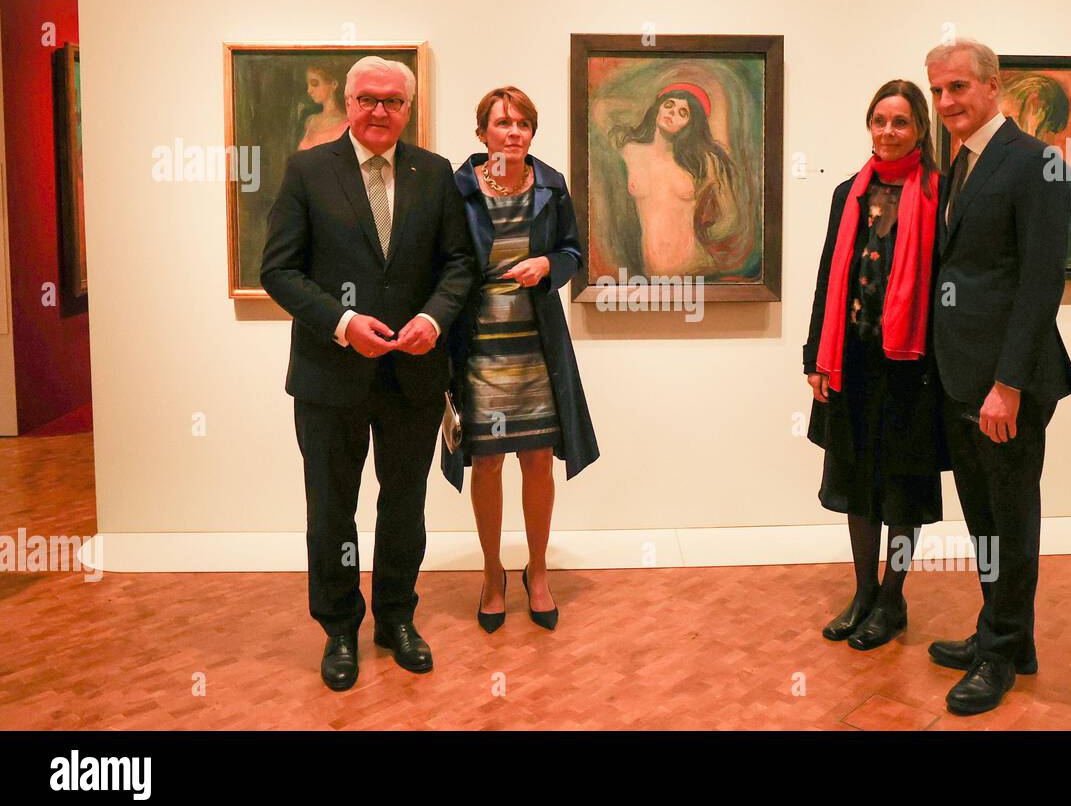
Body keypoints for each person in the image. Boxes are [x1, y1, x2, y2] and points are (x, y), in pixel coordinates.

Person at [261, 56, 477, 691]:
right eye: (367, 99)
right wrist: (342, 322)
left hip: (413, 374)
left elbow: (459, 264)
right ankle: (337, 628)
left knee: (404, 505)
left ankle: (395, 617)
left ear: (408, 109)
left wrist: (433, 321)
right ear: (349, 103)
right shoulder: (308, 170)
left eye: (392, 101)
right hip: (331, 375)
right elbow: (279, 270)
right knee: (332, 509)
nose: (379, 111)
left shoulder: (434, 174)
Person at [924, 38, 1071, 715]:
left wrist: (1008, 384)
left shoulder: (1036, 164)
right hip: (960, 376)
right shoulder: (957, 165)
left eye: (957, 87)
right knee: (982, 517)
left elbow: (1042, 282)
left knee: (1010, 518)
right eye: (937, 90)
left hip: (1006, 383)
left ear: (993, 88)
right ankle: (1006, 636)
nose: (946, 102)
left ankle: (1002, 653)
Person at [441, 86, 599, 632]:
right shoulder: (456, 188)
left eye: (523, 124)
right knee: (485, 462)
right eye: (502, 122)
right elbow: (443, 261)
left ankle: (537, 572)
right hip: (478, 345)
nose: (513, 132)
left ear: (533, 132)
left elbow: (576, 252)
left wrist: (547, 267)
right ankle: (491, 574)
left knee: (536, 460)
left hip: (536, 347)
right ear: (481, 131)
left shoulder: (551, 187)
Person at [804, 79, 946, 652]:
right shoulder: (849, 192)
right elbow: (826, 278)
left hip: (911, 366)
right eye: (880, 120)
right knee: (854, 481)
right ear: (869, 125)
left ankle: (894, 597)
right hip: (852, 360)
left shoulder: (940, 192)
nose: (888, 132)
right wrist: (816, 356)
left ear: (919, 130)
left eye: (901, 122)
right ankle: (863, 592)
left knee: (902, 490)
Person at [610, 83, 747, 275]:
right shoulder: (629, 152)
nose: (672, 113)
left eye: (683, 113)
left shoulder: (705, 161)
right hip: (649, 273)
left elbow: (730, 218)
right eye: (669, 105)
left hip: (695, 268)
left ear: (691, 124)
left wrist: (702, 232)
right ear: (657, 107)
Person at [297, 65, 349, 150]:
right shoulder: (310, 121)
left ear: (334, 84)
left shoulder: (348, 125)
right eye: (308, 85)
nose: (309, 90)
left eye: (314, 84)